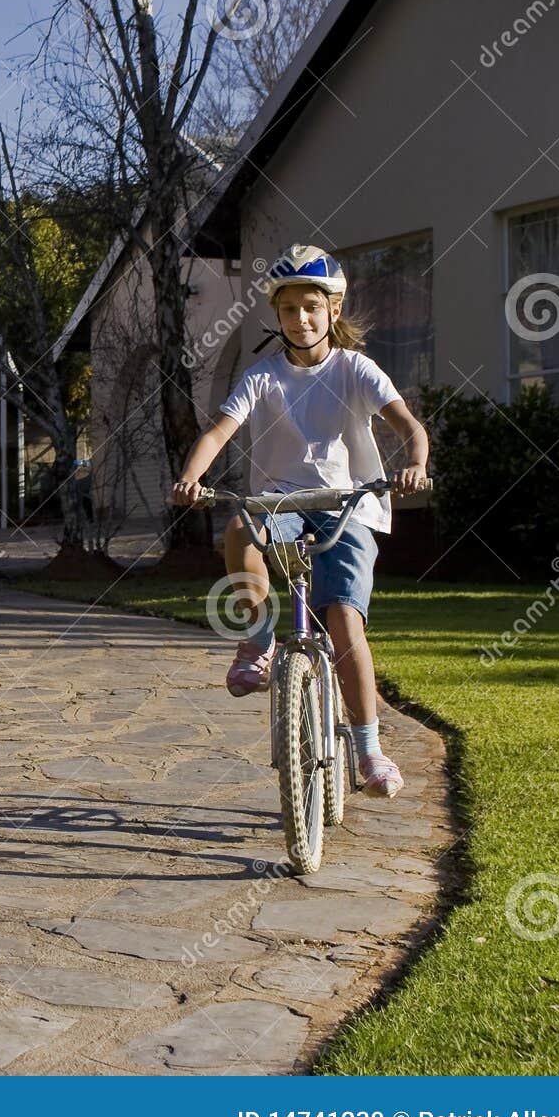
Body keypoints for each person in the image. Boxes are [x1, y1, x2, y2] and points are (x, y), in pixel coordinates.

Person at [169, 244, 429, 798]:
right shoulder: (263, 377)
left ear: (333, 310)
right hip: (281, 502)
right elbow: (218, 432)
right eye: (290, 309)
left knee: (344, 625)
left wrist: (415, 464)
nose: (301, 318)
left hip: (349, 505)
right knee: (240, 526)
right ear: (278, 315)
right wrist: (191, 478)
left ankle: (368, 750)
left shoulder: (355, 369)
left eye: (312, 306)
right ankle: (259, 640)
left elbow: (407, 423)